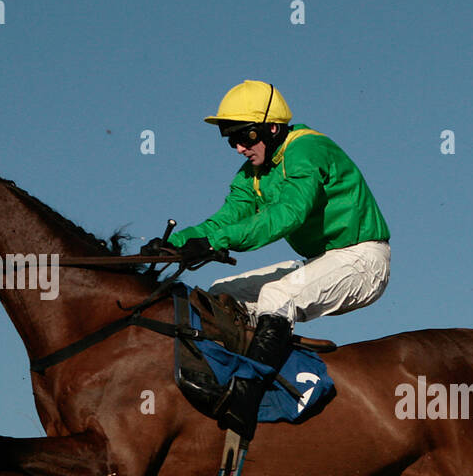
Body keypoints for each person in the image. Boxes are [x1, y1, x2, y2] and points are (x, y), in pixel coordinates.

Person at [144, 80, 390, 442]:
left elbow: (288, 214)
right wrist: (174, 244)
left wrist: (214, 242)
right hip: (322, 260)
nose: (239, 147)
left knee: (277, 297)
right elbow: (225, 219)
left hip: (363, 259)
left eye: (244, 137)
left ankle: (247, 399)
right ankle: (233, 375)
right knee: (221, 291)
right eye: (231, 140)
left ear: (272, 128)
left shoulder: (308, 149)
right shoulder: (252, 174)